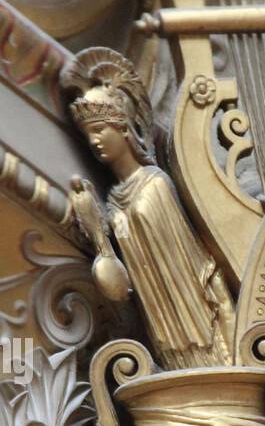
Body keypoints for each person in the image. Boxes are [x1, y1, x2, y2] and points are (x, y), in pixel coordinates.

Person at [61, 47, 236, 370]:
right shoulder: (114, 201)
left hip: (198, 330)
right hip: (161, 333)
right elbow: (119, 290)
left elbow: (190, 276)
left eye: (101, 130)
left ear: (125, 128)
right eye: (89, 135)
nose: (95, 141)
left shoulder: (155, 186)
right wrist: (98, 231)